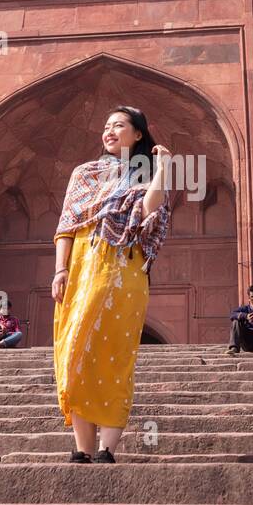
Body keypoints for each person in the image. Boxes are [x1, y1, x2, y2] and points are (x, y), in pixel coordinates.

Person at [52, 105, 172, 463]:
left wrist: (164, 167)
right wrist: (60, 270)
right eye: (106, 126)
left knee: (114, 358)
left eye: (118, 125)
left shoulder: (145, 173)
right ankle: (82, 447)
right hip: (82, 268)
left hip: (124, 268)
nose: (109, 131)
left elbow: (149, 213)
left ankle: (105, 449)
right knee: (74, 352)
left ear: (137, 134)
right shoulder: (84, 173)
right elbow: (66, 225)